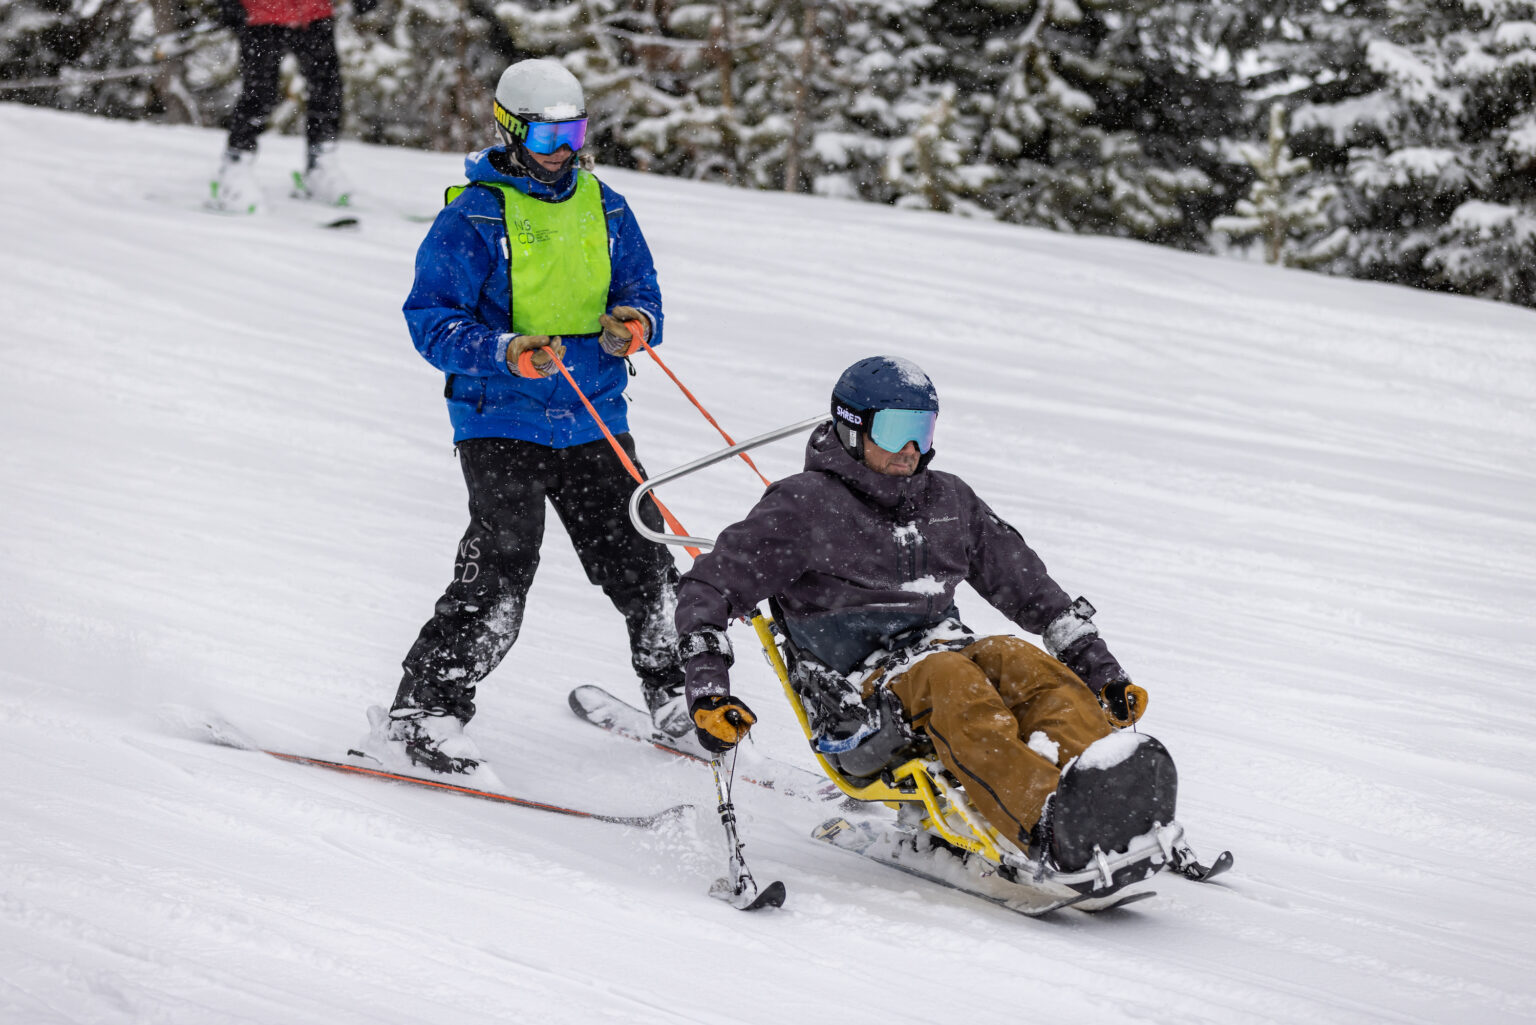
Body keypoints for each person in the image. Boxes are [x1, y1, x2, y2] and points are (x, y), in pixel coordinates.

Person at [673, 356, 1174, 875]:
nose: (911, 449)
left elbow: (1032, 590)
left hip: (942, 652)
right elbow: (707, 589)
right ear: (852, 429)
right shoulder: (803, 507)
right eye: (895, 430)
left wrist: (1102, 672)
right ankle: (1050, 822)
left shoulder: (948, 500)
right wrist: (708, 692)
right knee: (948, 678)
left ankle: (1114, 802)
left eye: (922, 430)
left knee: (1016, 659)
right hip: (857, 707)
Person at [379, 58, 685, 775]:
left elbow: (644, 290)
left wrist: (633, 324)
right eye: (547, 132)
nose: (562, 147)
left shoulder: (605, 207)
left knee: (643, 559)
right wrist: (504, 349)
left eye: (573, 130)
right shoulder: (474, 216)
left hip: (593, 416)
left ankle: (676, 696)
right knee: (502, 563)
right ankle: (426, 709)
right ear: (512, 129)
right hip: (500, 419)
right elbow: (429, 320)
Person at [207, 0, 374, 212]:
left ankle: (319, 166)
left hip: (314, 12)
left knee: (328, 90)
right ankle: (234, 168)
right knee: (260, 94)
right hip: (260, 13)